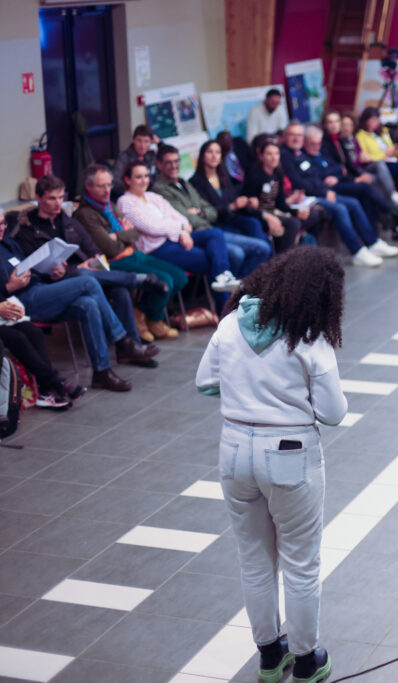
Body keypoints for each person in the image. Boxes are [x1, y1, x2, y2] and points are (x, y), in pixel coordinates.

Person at [196, 246, 347, 683]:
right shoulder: (310, 338)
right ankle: (305, 661)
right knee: (301, 563)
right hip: (290, 456)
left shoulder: (228, 325)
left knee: (254, 559)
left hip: (234, 451)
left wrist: (247, 392)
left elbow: (205, 383)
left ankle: (268, 654)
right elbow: (334, 413)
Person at [14, 174, 163, 361]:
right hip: (54, 284)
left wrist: (94, 261)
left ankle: (131, 348)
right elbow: (33, 271)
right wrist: (73, 268)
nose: (57, 203)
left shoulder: (69, 222)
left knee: (119, 290)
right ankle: (137, 280)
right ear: (38, 198)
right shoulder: (27, 232)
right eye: (52, 198)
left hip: (87, 274)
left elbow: (93, 249)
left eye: (61, 197)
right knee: (83, 275)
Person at [0, 212, 153, 391]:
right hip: (19, 302)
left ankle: (101, 371)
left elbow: (29, 269)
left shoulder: (8, 243)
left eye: (3, 223)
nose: (1, 228)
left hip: (39, 289)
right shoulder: (24, 234)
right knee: (87, 281)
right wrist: (9, 287)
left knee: (89, 303)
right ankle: (121, 340)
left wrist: (50, 272)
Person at [74, 164, 186, 341]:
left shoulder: (109, 205)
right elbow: (109, 248)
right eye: (101, 186)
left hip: (133, 254)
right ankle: (155, 320)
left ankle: (140, 312)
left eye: (109, 185)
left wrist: (117, 235)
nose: (107, 190)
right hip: (110, 263)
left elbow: (135, 234)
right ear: (88, 186)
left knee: (180, 277)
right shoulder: (85, 214)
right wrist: (125, 235)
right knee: (165, 280)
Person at [116, 161, 241, 312]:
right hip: (156, 248)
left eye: (146, 176)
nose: (144, 180)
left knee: (214, 233)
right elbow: (152, 227)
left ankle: (223, 280)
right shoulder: (125, 202)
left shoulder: (152, 197)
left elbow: (180, 217)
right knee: (213, 260)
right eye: (138, 177)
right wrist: (179, 230)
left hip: (174, 239)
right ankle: (226, 309)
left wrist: (181, 231)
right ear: (127, 180)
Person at [278, 124, 398, 264]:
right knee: (340, 208)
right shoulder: (285, 156)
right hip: (305, 198)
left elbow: (321, 174)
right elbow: (298, 183)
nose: (296, 139)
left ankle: (372, 242)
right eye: (292, 135)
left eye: (299, 135)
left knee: (354, 203)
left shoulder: (301, 154)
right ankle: (357, 251)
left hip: (321, 192)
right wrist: (324, 192)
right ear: (285, 137)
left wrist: (325, 189)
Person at [153, 144, 271, 278]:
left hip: (212, 230)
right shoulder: (160, 190)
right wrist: (205, 213)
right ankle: (236, 293)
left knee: (262, 248)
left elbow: (211, 211)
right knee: (237, 253)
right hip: (197, 235)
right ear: (159, 164)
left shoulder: (184, 183)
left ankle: (244, 289)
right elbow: (185, 219)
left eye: (176, 161)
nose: (174, 165)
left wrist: (199, 211)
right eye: (169, 162)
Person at [322, 110, 398, 210]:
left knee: (392, 177)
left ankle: (391, 215)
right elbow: (337, 167)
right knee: (369, 185)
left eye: (336, 121)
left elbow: (349, 165)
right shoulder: (325, 143)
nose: (334, 125)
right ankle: (394, 212)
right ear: (325, 125)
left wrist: (359, 175)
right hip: (339, 180)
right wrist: (355, 178)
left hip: (353, 174)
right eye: (330, 122)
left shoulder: (341, 140)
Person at [190, 139, 270, 245]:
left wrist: (247, 202)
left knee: (254, 223)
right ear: (202, 156)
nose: (214, 156)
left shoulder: (224, 175)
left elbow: (234, 198)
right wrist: (231, 207)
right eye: (210, 152)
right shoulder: (194, 182)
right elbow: (207, 211)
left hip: (233, 218)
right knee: (257, 241)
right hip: (217, 224)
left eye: (217, 152)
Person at [241, 138, 305, 254]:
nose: (274, 157)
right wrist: (266, 216)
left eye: (276, 153)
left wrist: (296, 212)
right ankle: (281, 260)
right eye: (269, 154)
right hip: (258, 215)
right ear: (261, 157)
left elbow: (280, 203)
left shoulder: (277, 174)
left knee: (305, 217)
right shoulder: (254, 175)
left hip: (273, 211)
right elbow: (247, 208)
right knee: (293, 224)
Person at [111, 124, 158, 192]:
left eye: (146, 141)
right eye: (139, 141)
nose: (142, 145)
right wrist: (134, 187)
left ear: (151, 142)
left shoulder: (153, 156)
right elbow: (115, 180)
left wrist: (160, 143)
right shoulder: (123, 157)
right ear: (133, 140)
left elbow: (168, 155)